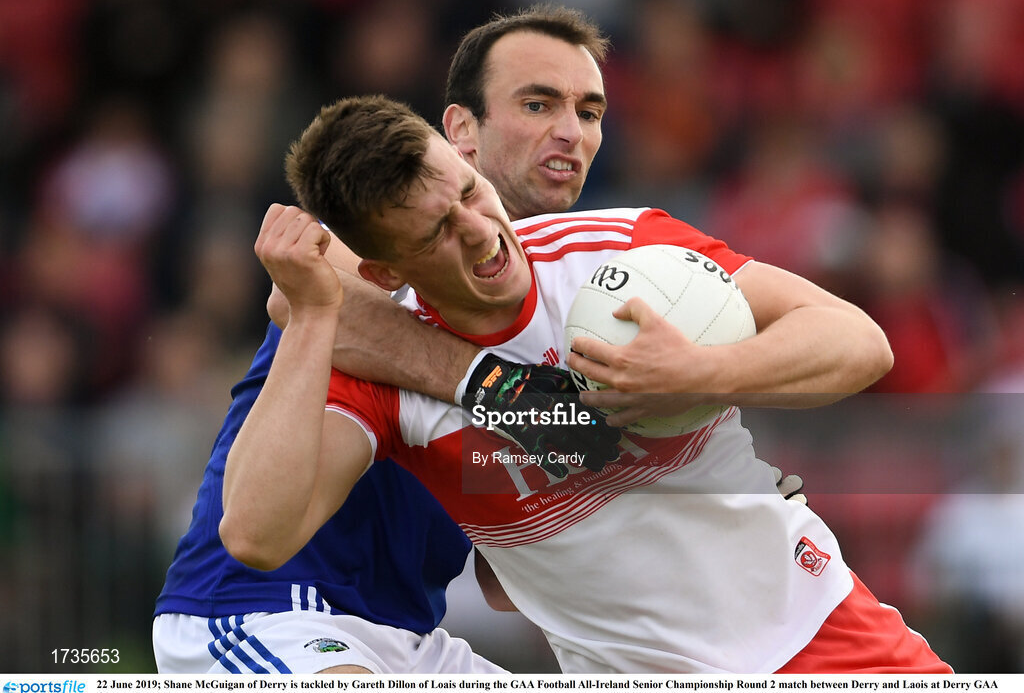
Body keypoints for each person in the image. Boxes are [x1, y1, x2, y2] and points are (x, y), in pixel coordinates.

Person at [153, 4, 799, 674]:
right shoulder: (379, 222)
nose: (568, 133)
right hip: (269, 609)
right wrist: (502, 391)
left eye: (588, 112)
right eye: (538, 105)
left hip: (412, 634)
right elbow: (304, 294)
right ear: (460, 130)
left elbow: (507, 576)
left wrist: (705, 511)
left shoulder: (565, 302)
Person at [221, 93, 953, 674]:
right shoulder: (390, 378)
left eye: (471, 192)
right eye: (437, 231)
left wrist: (698, 373)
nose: (482, 231)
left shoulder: (617, 251)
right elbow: (256, 534)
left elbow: (859, 342)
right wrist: (313, 313)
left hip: (826, 635)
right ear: (383, 274)